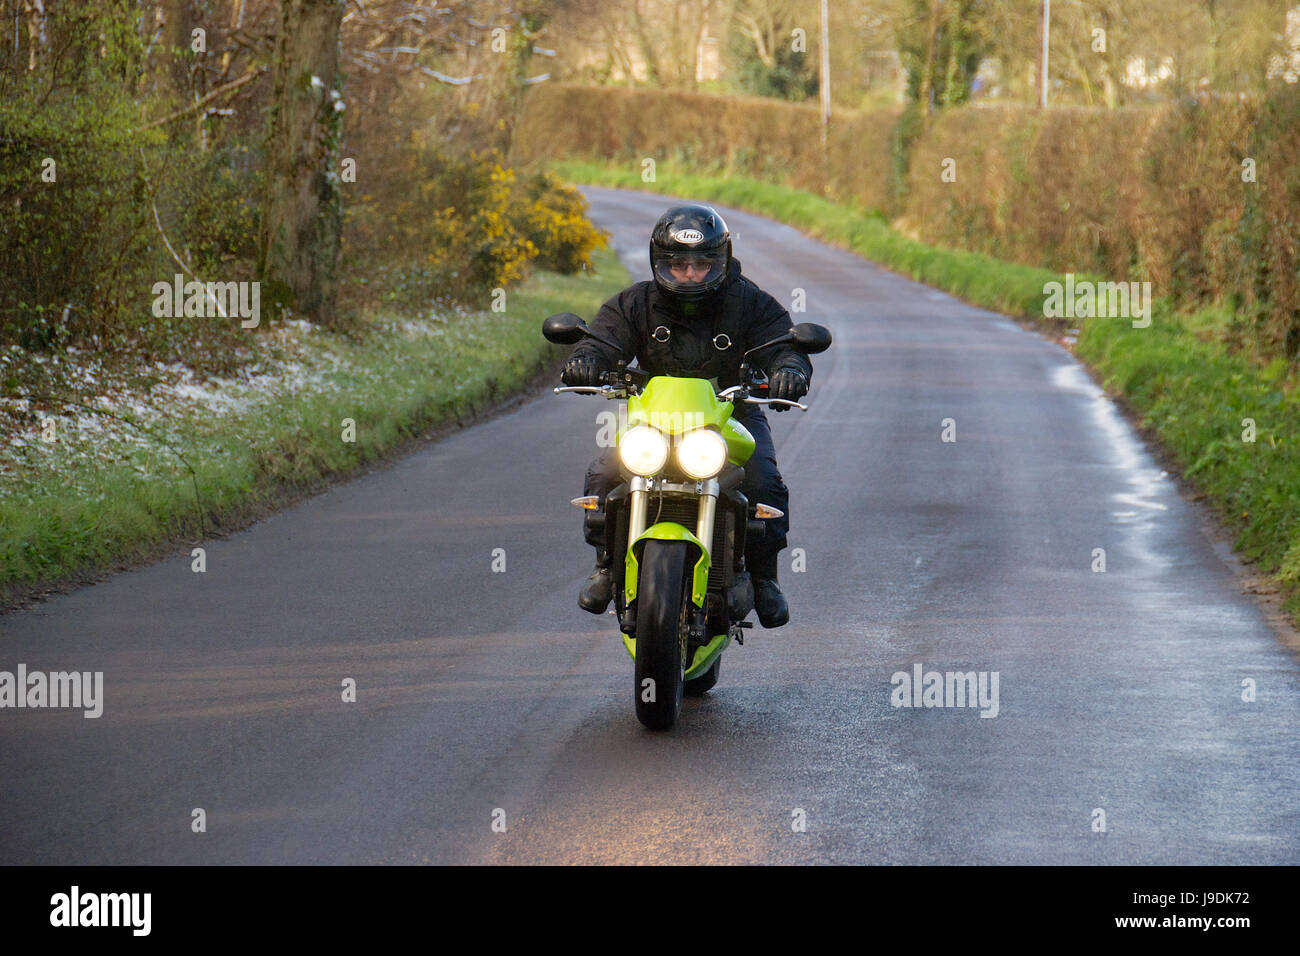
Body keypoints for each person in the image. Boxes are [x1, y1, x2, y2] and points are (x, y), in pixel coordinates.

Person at [562, 203, 812, 628]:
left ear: (723, 260)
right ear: (659, 262)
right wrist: (586, 359)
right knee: (605, 473)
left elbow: (784, 345)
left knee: (764, 481)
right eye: (678, 265)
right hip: (654, 422)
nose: (691, 274)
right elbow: (602, 339)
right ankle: (607, 564)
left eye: (702, 264)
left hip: (730, 415)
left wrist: (788, 369)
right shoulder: (635, 303)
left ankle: (765, 578)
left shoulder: (750, 303)